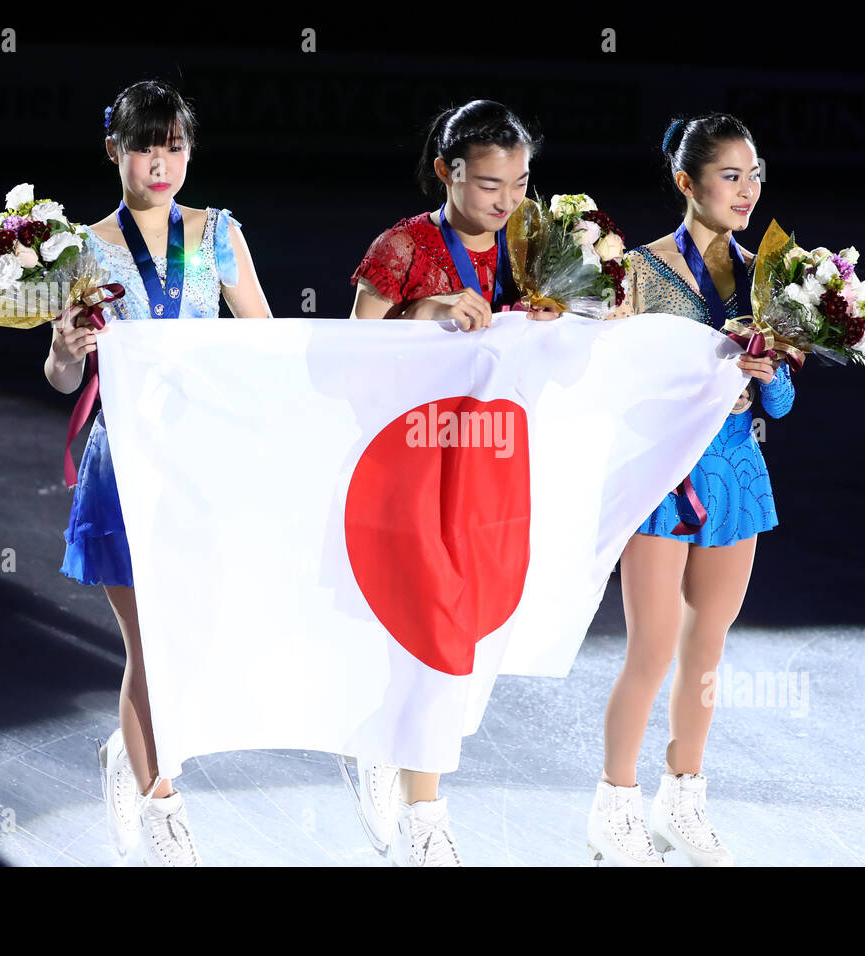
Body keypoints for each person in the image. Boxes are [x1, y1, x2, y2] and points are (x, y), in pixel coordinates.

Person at [45, 79, 271, 866]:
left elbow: (262, 340)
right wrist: (66, 357)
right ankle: (162, 805)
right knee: (153, 649)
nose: (161, 161)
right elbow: (63, 378)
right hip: (125, 470)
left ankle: (124, 753)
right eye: (146, 145)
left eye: (174, 145)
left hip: (202, 467)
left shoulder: (217, 233)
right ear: (115, 150)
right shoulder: (78, 248)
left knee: (193, 644)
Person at [347, 98, 556, 865]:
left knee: (461, 624)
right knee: (433, 620)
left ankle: (385, 742)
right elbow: (355, 347)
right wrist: (429, 310)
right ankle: (428, 814)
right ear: (447, 170)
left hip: (492, 469)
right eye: (489, 185)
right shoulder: (403, 246)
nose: (506, 202)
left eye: (521, 184)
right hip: (407, 468)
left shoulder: (536, 247)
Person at [591, 113, 794, 866]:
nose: (747, 191)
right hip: (659, 477)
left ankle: (682, 800)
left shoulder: (771, 276)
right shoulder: (637, 272)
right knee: (649, 648)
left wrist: (769, 379)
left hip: (736, 476)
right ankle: (613, 807)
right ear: (687, 181)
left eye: (755, 174)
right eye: (729, 176)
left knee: (705, 651)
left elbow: (783, 407)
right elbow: (609, 384)